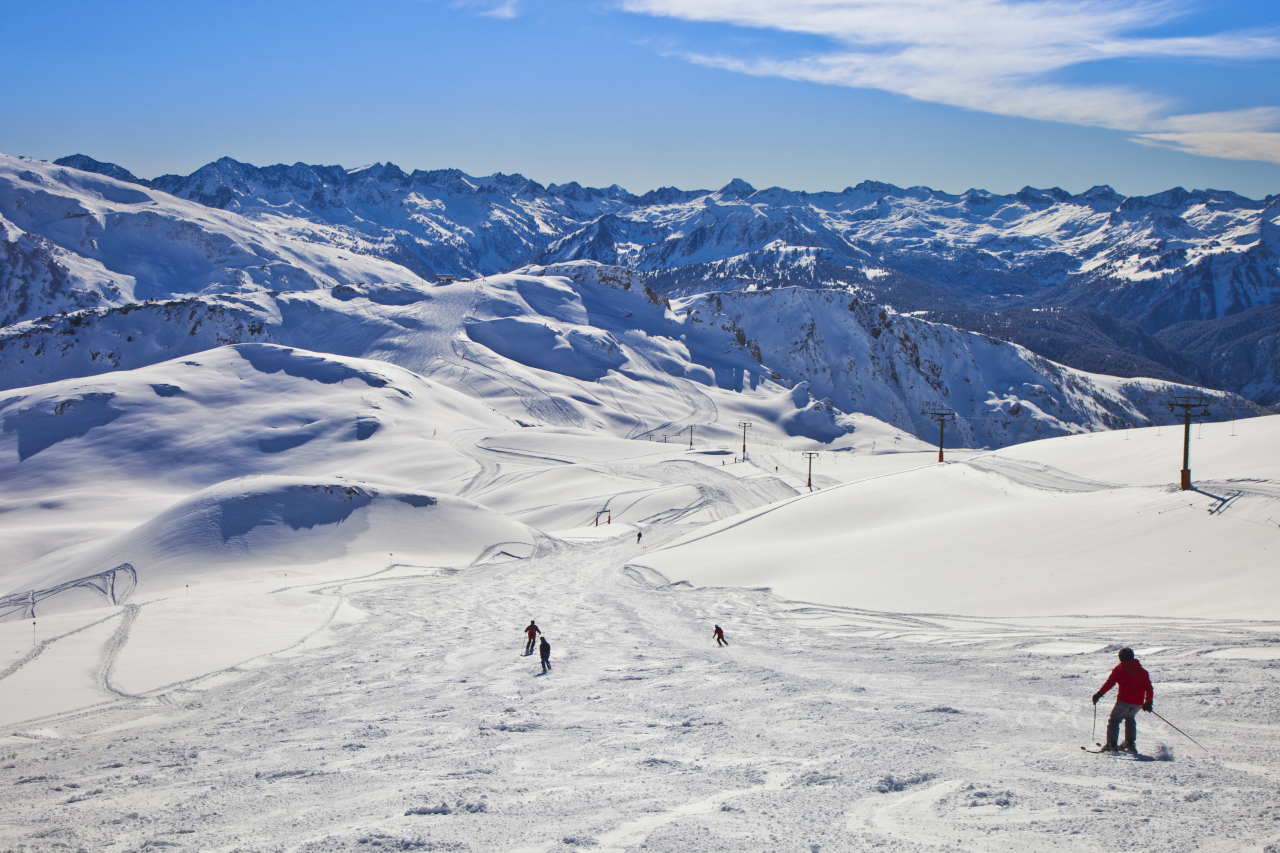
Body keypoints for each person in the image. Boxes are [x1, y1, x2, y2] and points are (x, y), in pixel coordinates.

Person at [1093, 647, 1154, 753]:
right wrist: (1148, 702)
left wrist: (1099, 694)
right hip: (1138, 703)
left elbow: (1110, 683)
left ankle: (1111, 745)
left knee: (1114, 721)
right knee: (1130, 719)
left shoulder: (1121, 668)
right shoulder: (1143, 671)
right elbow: (1149, 688)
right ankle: (1129, 743)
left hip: (1124, 701)